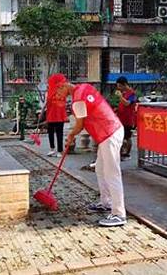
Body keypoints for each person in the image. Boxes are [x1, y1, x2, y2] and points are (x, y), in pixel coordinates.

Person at [52, 74, 126, 227]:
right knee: (100, 168)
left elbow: (80, 124)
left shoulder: (78, 100)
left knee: (112, 172)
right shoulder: (84, 87)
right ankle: (105, 202)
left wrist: (71, 135)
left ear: (62, 86)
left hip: (109, 133)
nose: (58, 96)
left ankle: (119, 214)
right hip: (109, 131)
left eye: (57, 92)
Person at [46, 73, 68, 158]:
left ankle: (59, 150)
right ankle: (52, 149)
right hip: (51, 115)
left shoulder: (62, 90)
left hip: (59, 115)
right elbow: (48, 103)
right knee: (50, 132)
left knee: (59, 133)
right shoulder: (50, 91)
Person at [115, 77, 137, 159]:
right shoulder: (124, 93)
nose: (119, 88)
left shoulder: (132, 94)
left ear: (124, 85)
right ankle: (121, 152)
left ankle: (127, 153)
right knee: (121, 136)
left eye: (120, 86)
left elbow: (127, 104)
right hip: (121, 118)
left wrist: (120, 96)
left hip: (128, 119)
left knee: (127, 137)